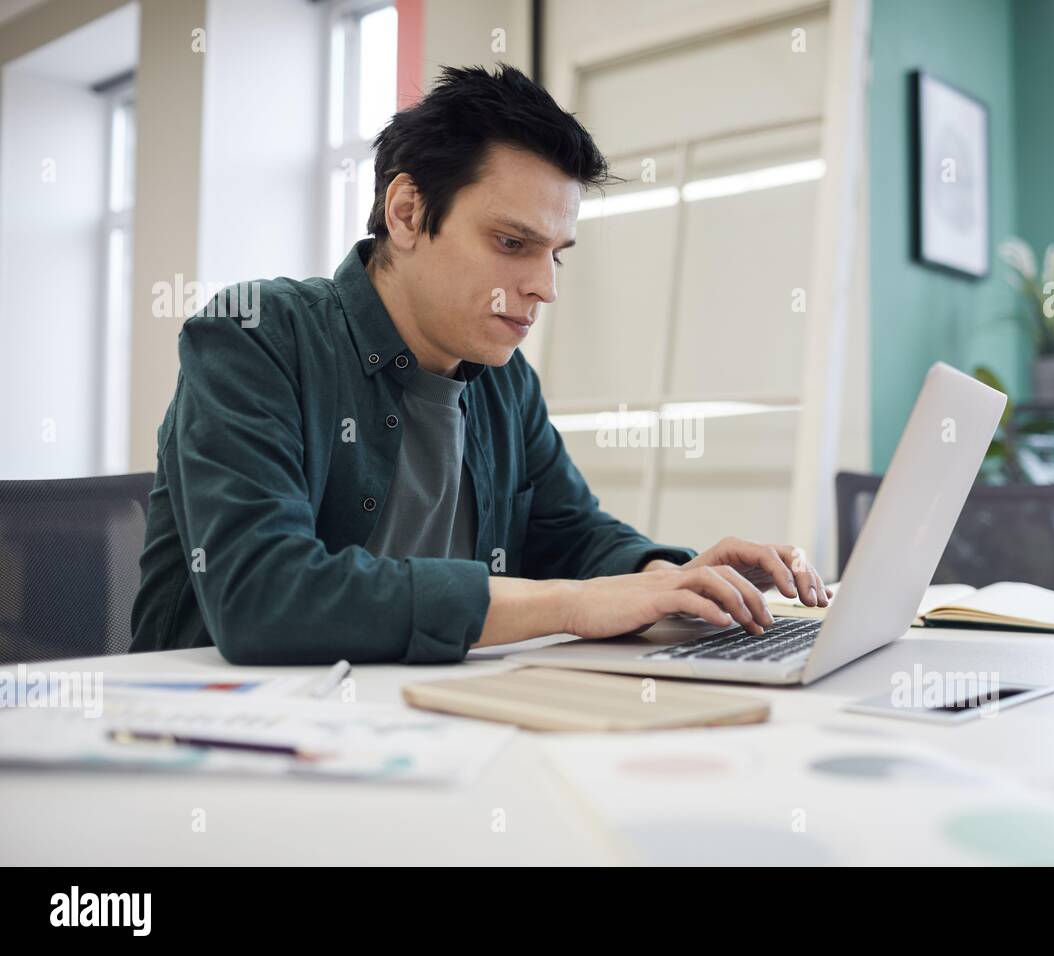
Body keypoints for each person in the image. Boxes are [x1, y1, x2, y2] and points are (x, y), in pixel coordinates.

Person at [130, 64, 829, 665]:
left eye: (555, 253)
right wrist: (574, 605)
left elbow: (569, 532)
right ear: (406, 213)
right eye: (511, 242)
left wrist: (669, 576)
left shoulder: (503, 377)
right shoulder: (253, 335)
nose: (544, 287)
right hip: (221, 737)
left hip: (422, 726)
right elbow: (264, 596)